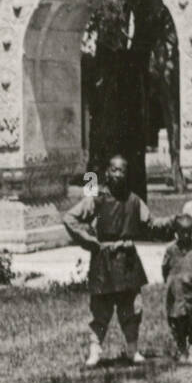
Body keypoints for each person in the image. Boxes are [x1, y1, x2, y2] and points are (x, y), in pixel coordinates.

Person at [62, 154, 176, 368]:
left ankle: (132, 349)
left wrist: (172, 222)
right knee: (101, 309)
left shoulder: (134, 201)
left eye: (122, 170)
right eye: (114, 170)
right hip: (103, 259)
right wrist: (88, 241)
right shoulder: (96, 198)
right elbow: (70, 218)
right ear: (107, 172)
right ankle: (95, 352)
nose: (118, 174)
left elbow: (151, 223)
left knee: (132, 307)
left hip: (128, 260)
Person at [161, 210, 192, 364]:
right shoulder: (171, 249)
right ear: (176, 232)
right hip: (176, 293)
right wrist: (170, 282)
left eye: (189, 232)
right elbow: (164, 268)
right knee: (177, 321)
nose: (186, 236)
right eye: (182, 232)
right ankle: (182, 348)